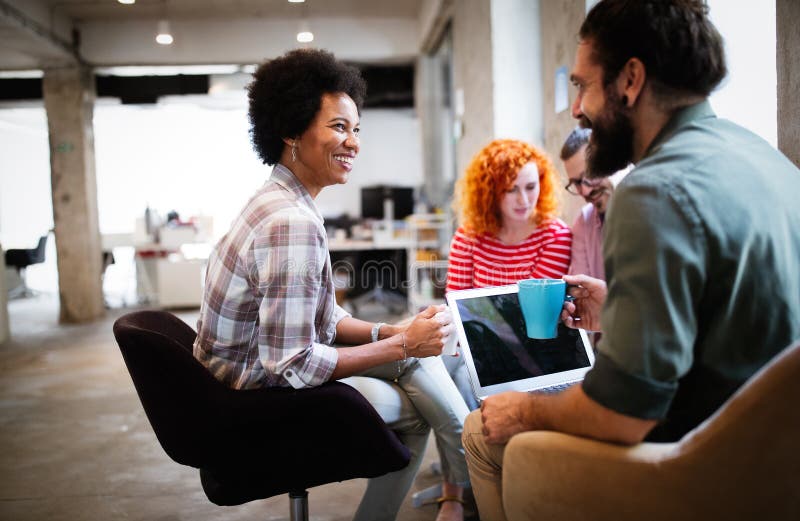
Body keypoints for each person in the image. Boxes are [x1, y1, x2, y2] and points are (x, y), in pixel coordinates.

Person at [462, 2, 800, 520]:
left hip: (697, 469)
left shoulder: (651, 192)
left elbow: (619, 414)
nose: (576, 110)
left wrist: (525, 408)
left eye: (582, 86)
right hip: (776, 462)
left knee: (484, 429)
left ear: (630, 80)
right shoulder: (766, 158)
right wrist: (619, 307)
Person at [193, 48, 470, 521]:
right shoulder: (290, 223)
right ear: (291, 130)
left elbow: (324, 318)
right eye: (339, 127)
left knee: (422, 364)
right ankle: (477, 473)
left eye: (356, 129)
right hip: (249, 407)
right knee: (416, 396)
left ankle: (469, 471)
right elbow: (293, 364)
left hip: (239, 388)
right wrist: (403, 344)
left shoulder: (280, 200)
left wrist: (390, 333)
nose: (354, 142)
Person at [446, 138, 572, 293]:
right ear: (490, 192)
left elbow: (535, 303)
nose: (523, 200)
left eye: (531, 187)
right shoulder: (468, 237)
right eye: (511, 189)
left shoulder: (556, 236)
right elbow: (456, 304)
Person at [560, 127, 627, 280]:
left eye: (590, 174)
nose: (585, 190)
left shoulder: (646, 206)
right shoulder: (584, 223)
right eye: (576, 182)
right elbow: (582, 295)